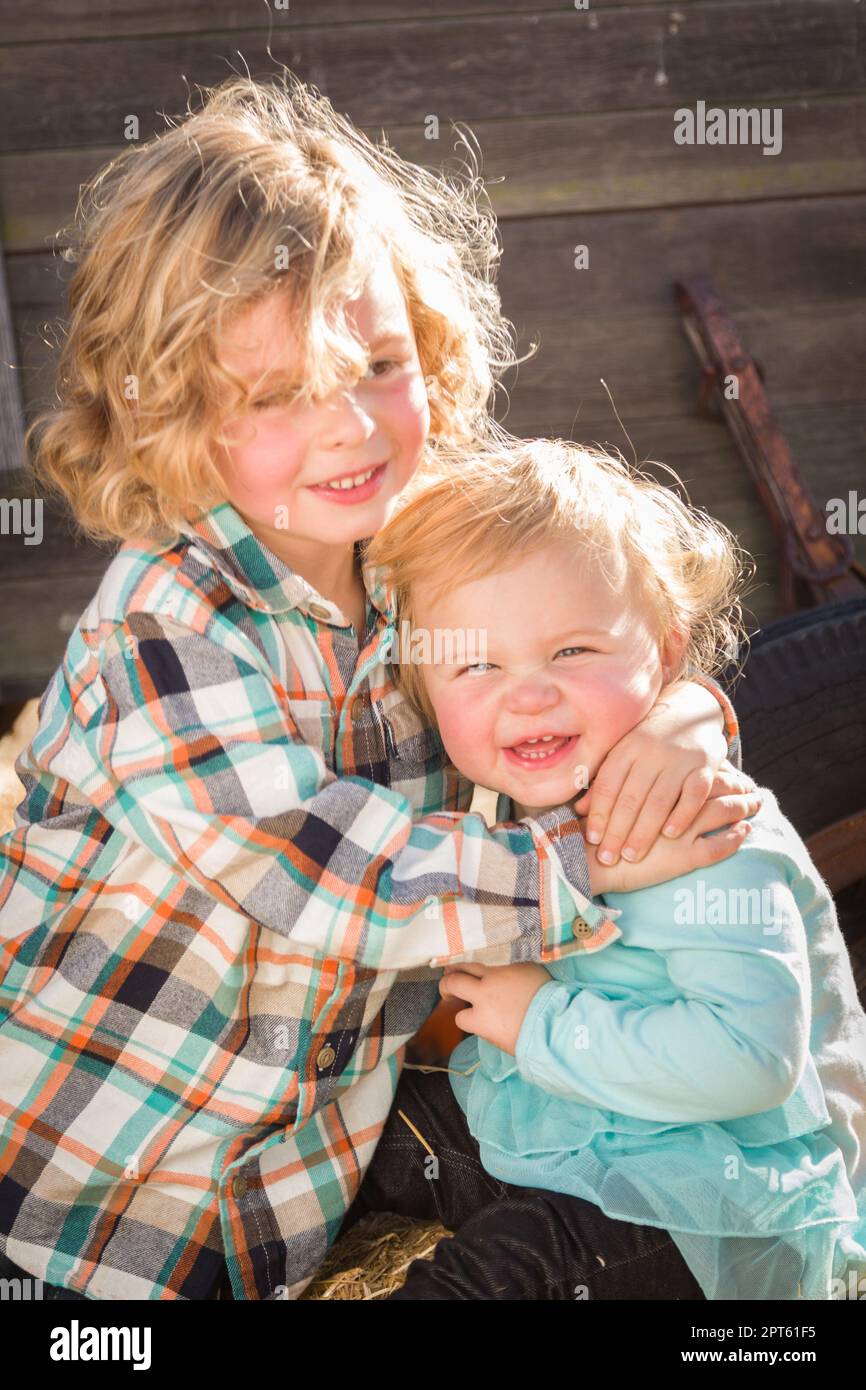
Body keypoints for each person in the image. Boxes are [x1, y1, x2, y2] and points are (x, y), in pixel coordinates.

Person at [0, 76, 754, 1301]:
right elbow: (336, 879)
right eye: (277, 395)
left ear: (432, 344)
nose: (347, 427)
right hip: (106, 1214)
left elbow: (589, 643)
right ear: (164, 412)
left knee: (703, 1158)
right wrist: (612, 856)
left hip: (315, 1151)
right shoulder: (161, 630)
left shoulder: (426, 561)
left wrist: (675, 718)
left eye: (378, 365)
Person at [353, 435, 866, 1301]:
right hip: (567, 1133)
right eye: (477, 663)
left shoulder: (700, 831)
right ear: (424, 685)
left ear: (666, 653)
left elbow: (750, 1061)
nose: (527, 692)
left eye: (573, 652)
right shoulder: (507, 800)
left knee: (487, 1279)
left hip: (704, 1204)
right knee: (364, 1147)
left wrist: (543, 1021)